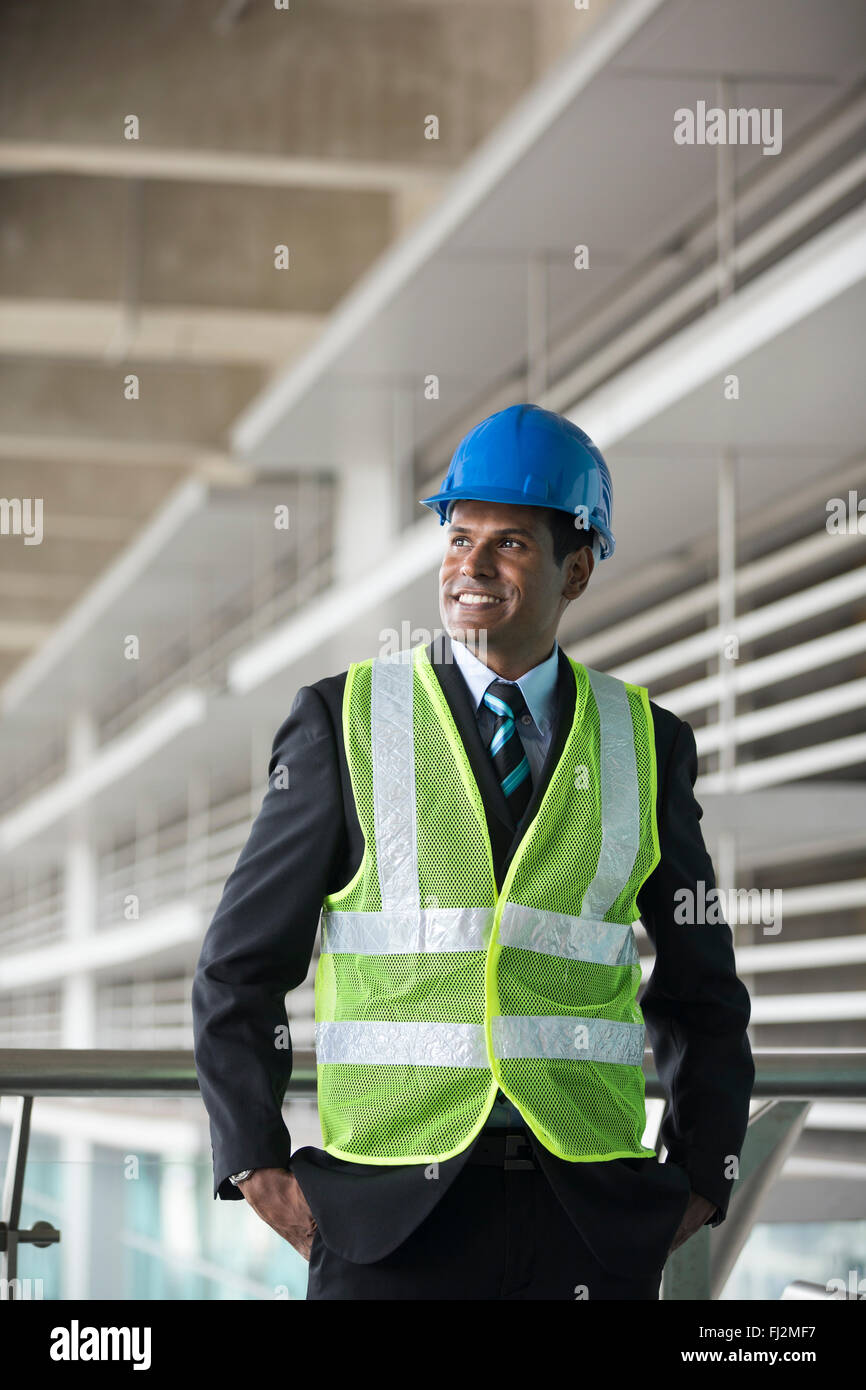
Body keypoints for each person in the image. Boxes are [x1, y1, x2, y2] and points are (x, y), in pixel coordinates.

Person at [192, 403, 754, 1300]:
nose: (472, 567)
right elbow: (237, 968)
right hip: (389, 1221)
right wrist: (256, 1163)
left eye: (510, 544)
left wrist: (701, 1178)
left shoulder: (647, 740)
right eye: (458, 539)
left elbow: (703, 987)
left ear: (577, 569)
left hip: (590, 1216)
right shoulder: (344, 721)